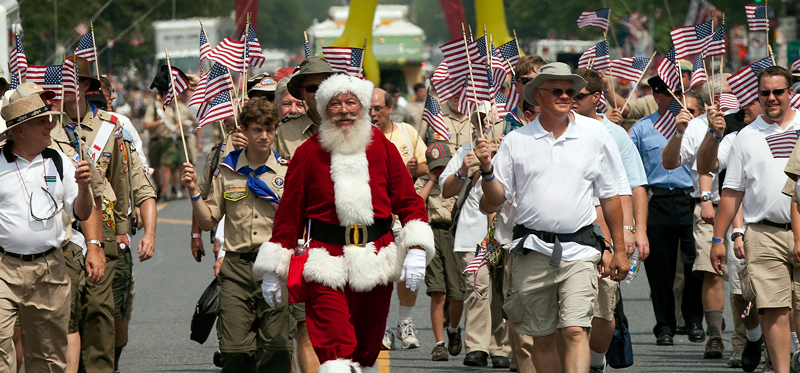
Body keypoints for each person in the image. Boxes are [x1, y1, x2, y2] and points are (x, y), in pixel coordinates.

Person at [253, 74, 434, 372]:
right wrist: (274, 267)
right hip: (325, 263)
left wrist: (416, 247)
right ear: (324, 109)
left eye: (351, 102)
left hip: (376, 260)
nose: (344, 110)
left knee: (366, 348)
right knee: (335, 347)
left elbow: (407, 199)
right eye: (335, 104)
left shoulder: (382, 148)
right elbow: (289, 214)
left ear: (362, 107)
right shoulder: (307, 153)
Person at [476, 62, 629, 373]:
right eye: (556, 91)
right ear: (538, 96)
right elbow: (492, 201)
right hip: (532, 251)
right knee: (542, 339)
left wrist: (620, 249)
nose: (565, 96)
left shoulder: (593, 138)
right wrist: (487, 169)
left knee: (576, 330)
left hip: (580, 250)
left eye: (569, 91)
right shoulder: (516, 141)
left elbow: (610, 196)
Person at [181, 97, 296, 372]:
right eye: (257, 129)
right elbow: (208, 221)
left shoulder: (288, 170)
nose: (264, 136)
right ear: (243, 130)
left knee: (277, 352)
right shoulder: (227, 170)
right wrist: (194, 191)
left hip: (275, 267)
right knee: (234, 353)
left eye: (269, 129)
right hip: (236, 269)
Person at [709, 66, 800, 373]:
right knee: (774, 308)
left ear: (790, 93)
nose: (771, 98)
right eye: (765, 92)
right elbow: (732, 191)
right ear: (758, 95)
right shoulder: (745, 137)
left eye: (778, 92)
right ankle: (781, 368)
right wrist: (718, 239)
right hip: (762, 233)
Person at [0, 82, 95, 373]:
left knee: (48, 357)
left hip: (50, 268)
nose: (51, 125)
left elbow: (81, 212)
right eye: (42, 121)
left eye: (51, 119)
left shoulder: (59, 161)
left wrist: (84, 188)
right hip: (3, 268)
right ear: (20, 129)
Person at [572, 68, 650, 372]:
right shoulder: (557, 129)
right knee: (572, 317)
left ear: (596, 98)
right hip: (569, 235)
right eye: (565, 93)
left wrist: (632, 231)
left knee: (603, 310)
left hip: (606, 231)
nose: (570, 100)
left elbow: (633, 185)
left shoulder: (614, 134)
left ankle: (595, 361)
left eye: (578, 95)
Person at [63, 56, 133, 373]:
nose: (65, 89)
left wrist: (121, 228)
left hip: (101, 225)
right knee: (67, 309)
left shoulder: (108, 127)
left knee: (98, 308)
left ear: (85, 86)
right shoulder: (47, 126)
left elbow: (119, 178)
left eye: (73, 82)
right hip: (63, 227)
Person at [628, 76, 705, 346]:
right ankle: (664, 326)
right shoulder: (641, 129)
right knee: (659, 269)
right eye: (667, 95)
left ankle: (694, 320)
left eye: (677, 95)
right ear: (656, 97)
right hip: (657, 201)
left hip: (689, 200)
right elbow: (631, 168)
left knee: (694, 262)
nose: (673, 100)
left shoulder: (694, 126)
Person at [661, 74, 732, 360]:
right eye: (728, 93)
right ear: (712, 99)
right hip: (708, 208)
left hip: (744, 209)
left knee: (746, 277)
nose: (735, 98)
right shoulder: (696, 126)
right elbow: (670, 162)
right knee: (712, 271)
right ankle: (715, 335)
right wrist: (679, 133)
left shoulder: (744, 124)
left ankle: (749, 336)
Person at [439, 101, 512, 369]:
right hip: (472, 235)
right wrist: (463, 171)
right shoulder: (464, 152)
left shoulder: (510, 151)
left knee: (502, 291)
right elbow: (445, 190)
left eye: (489, 121)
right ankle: (477, 347)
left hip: (503, 234)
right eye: (479, 120)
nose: (482, 126)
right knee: (477, 289)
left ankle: (501, 347)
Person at [697, 96, 764, 371]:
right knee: (741, 294)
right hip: (743, 229)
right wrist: (714, 134)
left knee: (781, 297)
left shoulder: (793, 134)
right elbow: (708, 166)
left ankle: (782, 353)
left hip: (781, 229)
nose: (744, 106)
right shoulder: (738, 138)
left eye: (752, 100)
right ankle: (747, 339)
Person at [369, 87, 429, 350]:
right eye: (369, 109)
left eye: (378, 108)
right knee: (379, 274)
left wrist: (417, 169)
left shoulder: (406, 132)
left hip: (404, 216)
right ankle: (382, 327)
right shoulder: (361, 137)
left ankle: (405, 322)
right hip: (378, 219)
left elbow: (427, 165)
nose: (373, 114)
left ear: (389, 108)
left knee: (408, 274)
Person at [416, 143, 463, 362]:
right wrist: (431, 180)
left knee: (457, 294)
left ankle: (453, 329)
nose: (440, 170)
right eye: (435, 167)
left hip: (454, 234)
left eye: (443, 166)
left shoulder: (458, 180)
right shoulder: (423, 182)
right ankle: (439, 344)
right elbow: (416, 203)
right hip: (431, 234)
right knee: (437, 291)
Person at [272, 56, 335, 160]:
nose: (318, 93)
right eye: (312, 88)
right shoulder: (284, 132)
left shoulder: (352, 126)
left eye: (324, 87)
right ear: (302, 93)